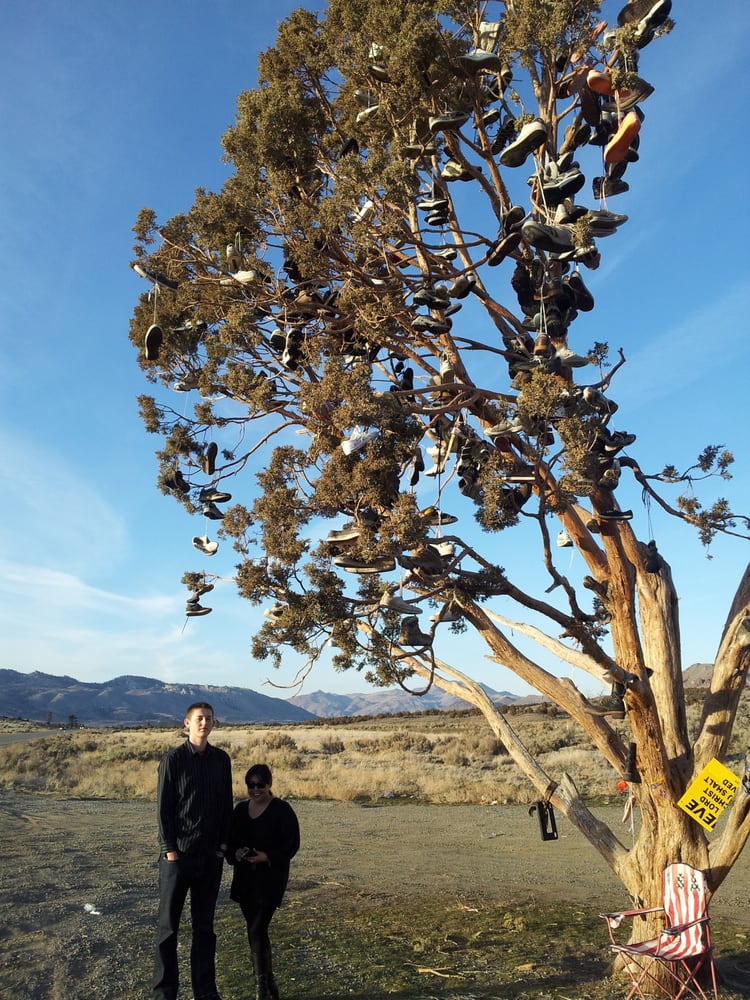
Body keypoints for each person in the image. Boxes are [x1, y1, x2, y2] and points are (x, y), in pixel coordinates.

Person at [153, 702, 233, 1000]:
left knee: (204, 929)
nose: (204, 723)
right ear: (186, 723)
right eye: (199, 718)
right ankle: (165, 993)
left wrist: (222, 847)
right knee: (168, 929)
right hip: (178, 857)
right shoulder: (172, 760)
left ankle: (206, 991)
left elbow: (226, 805)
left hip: (209, 858)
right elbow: (163, 809)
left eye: (209, 719)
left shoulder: (221, 760)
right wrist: (169, 850)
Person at [227, 764, 300, 1000]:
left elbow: (292, 844)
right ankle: (269, 985)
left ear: (270, 784)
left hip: (270, 879)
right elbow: (230, 840)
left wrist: (267, 856)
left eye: (261, 784)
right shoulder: (240, 810)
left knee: (257, 928)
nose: (256, 789)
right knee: (256, 930)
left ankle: (261, 989)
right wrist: (237, 852)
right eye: (251, 785)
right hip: (245, 879)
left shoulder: (282, 810)